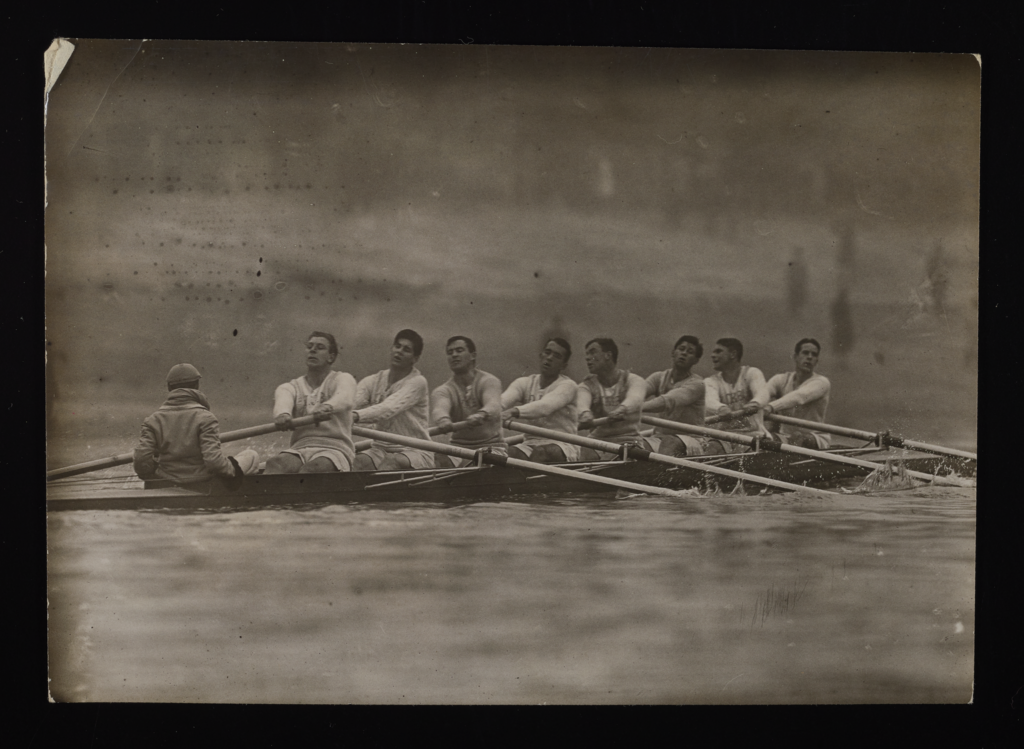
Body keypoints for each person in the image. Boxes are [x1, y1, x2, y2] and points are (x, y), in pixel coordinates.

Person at [133, 363, 259, 483]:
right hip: (202, 480)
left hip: (166, 478)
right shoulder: (206, 418)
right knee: (251, 455)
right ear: (197, 386)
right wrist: (233, 473)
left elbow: (140, 460)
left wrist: (154, 477)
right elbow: (214, 462)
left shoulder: (152, 420)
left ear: (169, 388)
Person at [265, 331, 357, 474]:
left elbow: (345, 398)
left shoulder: (343, 379)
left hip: (336, 448)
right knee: (274, 464)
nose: (313, 350)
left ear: (331, 357)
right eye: (309, 346)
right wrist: (283, 414)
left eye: (320, 347)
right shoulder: (291, 387)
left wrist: (327, 406)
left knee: (311, 470)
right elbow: (283, 399)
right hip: (300, 447)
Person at [351, 329, 434, 471]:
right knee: (355, 463)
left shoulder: (418, 382)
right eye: (397, 346)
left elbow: (388, 409)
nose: (399, 351)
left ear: (415, 359)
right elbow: (350, 403)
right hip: (380, 449)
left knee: (390, 462)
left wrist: (355, 416)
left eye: (406, 350)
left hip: (415, 450)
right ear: (391, 349)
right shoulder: (373, 380)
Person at [431, 336, 506, 468]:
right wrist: (443, 420)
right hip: (459, 450)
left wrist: (481, 414)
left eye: (459, 350)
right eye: (450, 352)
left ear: (472, 355)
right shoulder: (443, 390)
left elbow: (493, 405)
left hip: (492, 447)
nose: (454, 355)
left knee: (483, 461)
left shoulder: (489, 381)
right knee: (437, 458)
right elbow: (440, 408)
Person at [500, 338, 579, 463]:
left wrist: (512, 412)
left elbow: (545, 406)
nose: (549, 358)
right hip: (530, 443)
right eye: (547, 352)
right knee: (506, 454)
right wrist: (487, 412)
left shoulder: (569, 386)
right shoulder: (524, 383)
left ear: (563, 366)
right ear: (541, 355)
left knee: (540, 453)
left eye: (557, 356)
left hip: (563, 445)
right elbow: (502, 401)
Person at [576, 337, 648, 462]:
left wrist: (622, 409)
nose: (587, 358)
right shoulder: (586, 386)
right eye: (586, 354)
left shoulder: (633, 380)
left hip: (629, 439)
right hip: (598, 441)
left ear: (608, 355)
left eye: (592, 352)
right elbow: (582, 402)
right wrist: (584, 414)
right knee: (583, 451)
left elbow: (635, 398)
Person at [703, 337, 771, 455]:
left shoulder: (752, 373)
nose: (712, 355)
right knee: (711, 448)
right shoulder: (710, 381)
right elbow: (710, 401)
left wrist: (754, 404)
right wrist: (721, 408)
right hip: (725, 436)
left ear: (733, 354)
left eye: (718, 351)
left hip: (753, 434)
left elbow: (763, 393)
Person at [641, 335, 705, 457]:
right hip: (660, 438)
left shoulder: (698, 384)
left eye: (690, 352)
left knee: (669, 442)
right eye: (681, 349)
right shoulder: (658, 377)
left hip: (691, 440)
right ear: (673, 352)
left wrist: (636, 408)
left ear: (696, 360)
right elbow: (636, 394)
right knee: (636, 445)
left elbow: (667, 401)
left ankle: (658, 474)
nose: (684, 353)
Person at [764, 338, 831, 449]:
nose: (809, 357)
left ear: (816, 361)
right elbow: (763, 393)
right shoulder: (781, 379)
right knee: (765, 438)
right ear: (795, 357)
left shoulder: (822, 383)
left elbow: (799, 397)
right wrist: (756, 404)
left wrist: (770, 407)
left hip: (815, 437)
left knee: (797, 437)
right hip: (786, 436)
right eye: (805, 353)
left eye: (814, 355)